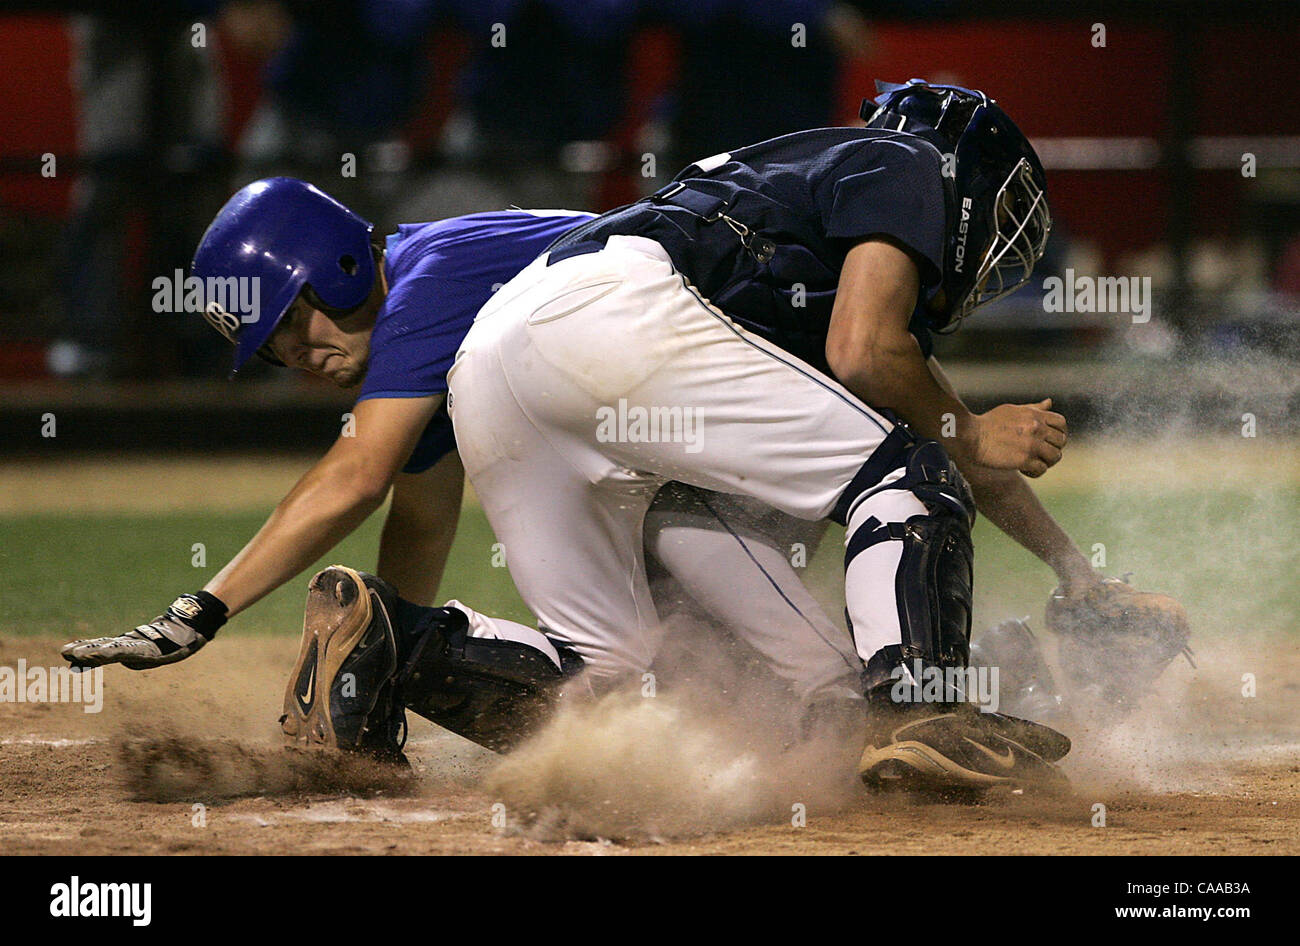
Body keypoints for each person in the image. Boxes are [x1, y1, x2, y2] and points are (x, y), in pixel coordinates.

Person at [65, 80, 1144, 797]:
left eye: (292, 324)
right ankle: (919, 703)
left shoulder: (444, 292)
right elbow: (885, 375)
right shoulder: (900, 164)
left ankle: (406, 650)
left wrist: (1067, 567)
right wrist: (965, 431)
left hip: (544, 372)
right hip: (612, 327)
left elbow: (419, 507)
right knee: (898, 474)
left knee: (643, 694)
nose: (296, 352)